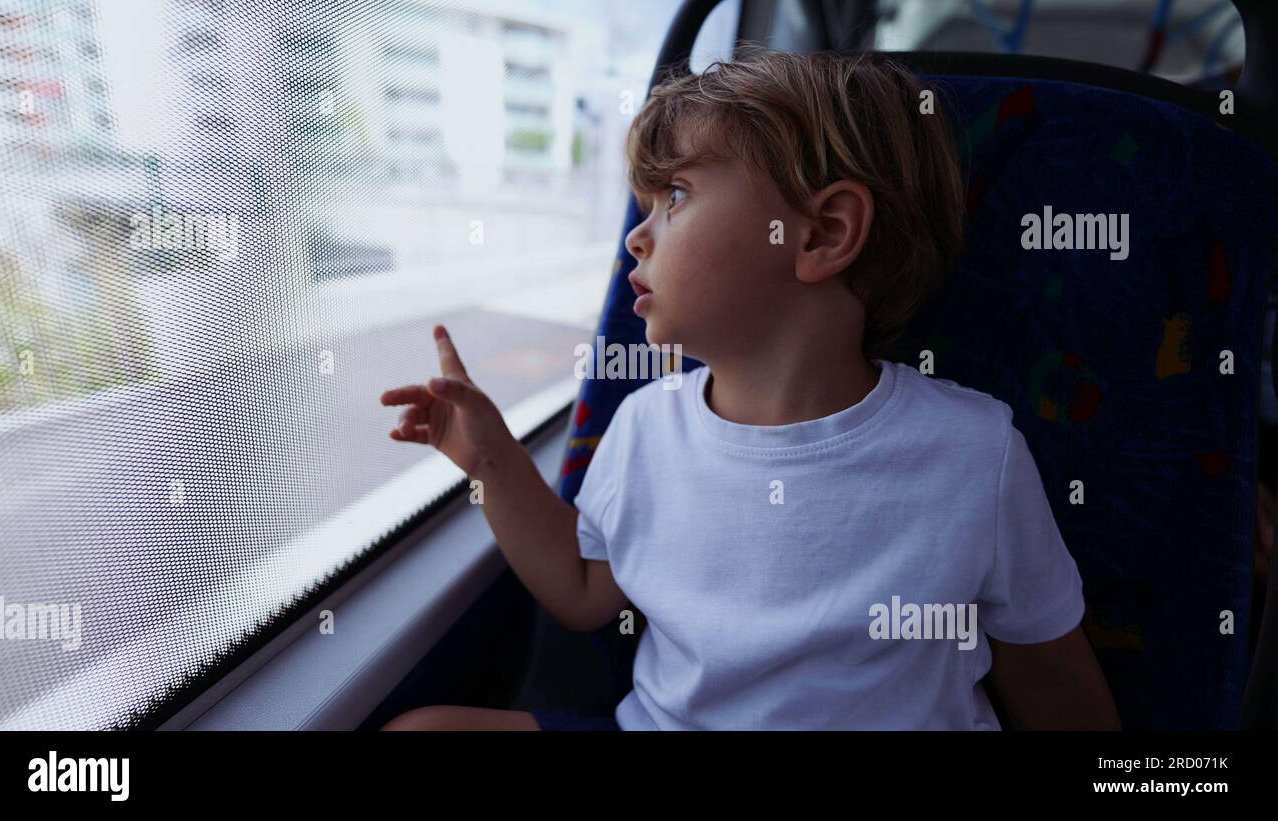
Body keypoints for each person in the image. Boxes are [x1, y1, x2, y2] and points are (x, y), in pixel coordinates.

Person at [378, 47, 1121, 731]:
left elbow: (1056, 686)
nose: (638, 236)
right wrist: (492, 461)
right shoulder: (645, 428)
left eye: (675, 194)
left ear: (821, 234)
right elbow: (581, 588)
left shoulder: (970, 455)